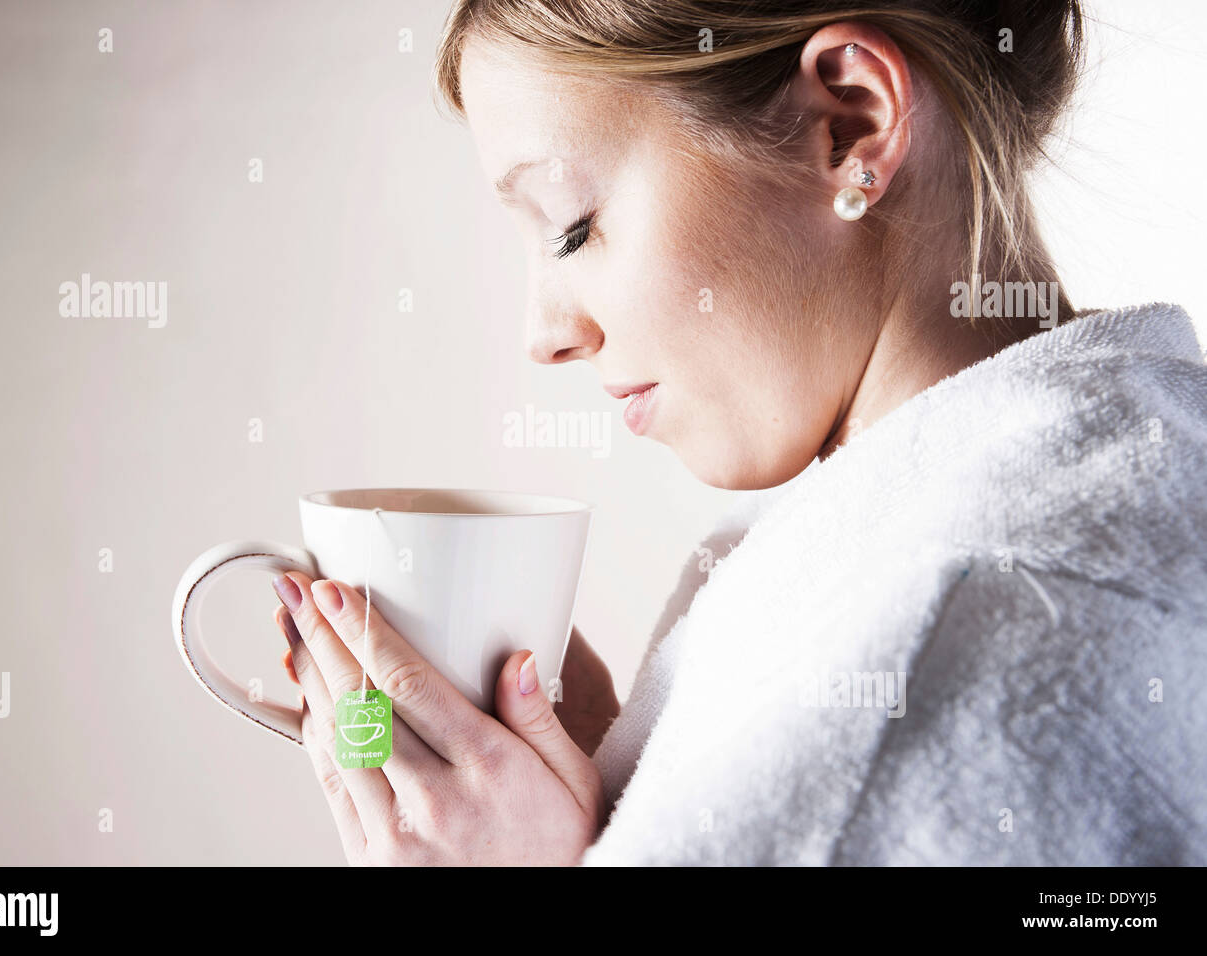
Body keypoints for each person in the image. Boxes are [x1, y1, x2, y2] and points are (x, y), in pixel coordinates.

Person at [270, 0, 1207, 865]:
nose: (543, 334)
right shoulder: (1112, 473)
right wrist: (623, 785)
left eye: (570, 226)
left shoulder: (931, 651)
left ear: (850, 124)